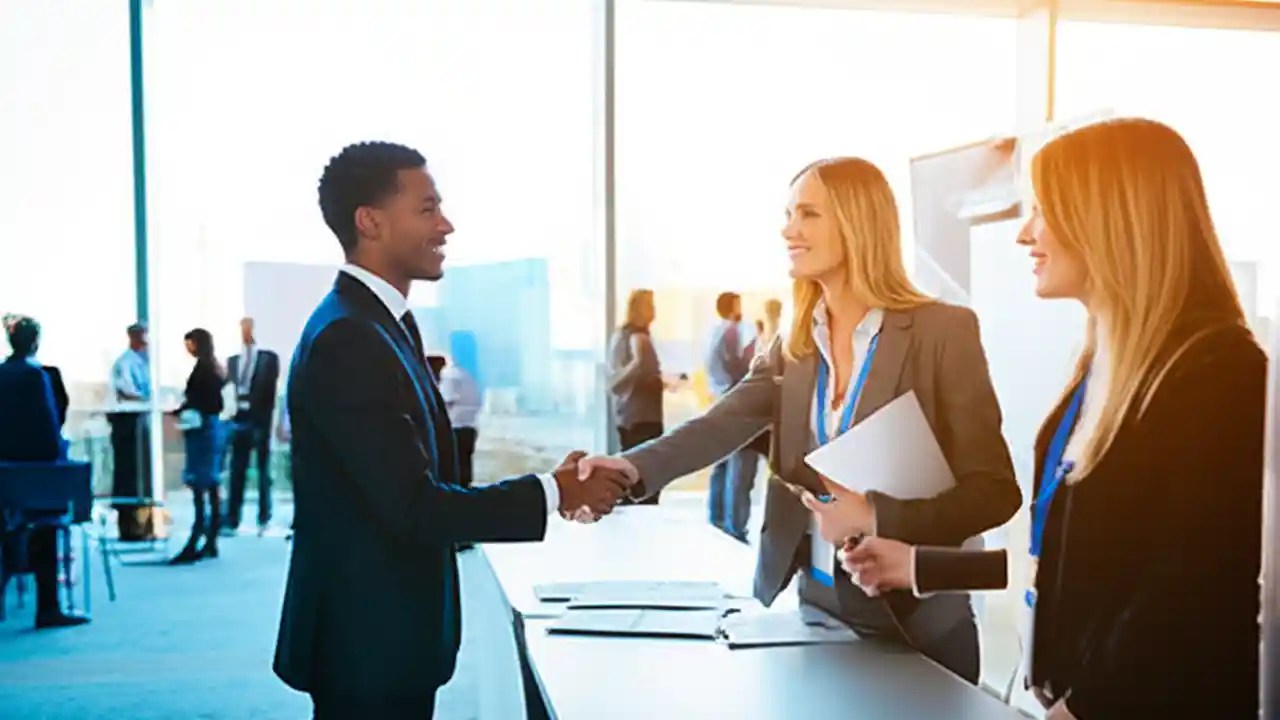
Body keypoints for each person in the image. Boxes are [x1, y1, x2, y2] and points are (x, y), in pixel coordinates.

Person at [835, 119, 1264, 718]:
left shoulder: (1218, 373)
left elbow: (1185, 597)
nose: (1025, 234)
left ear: (1112, 220)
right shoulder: (1100, 366)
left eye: (1045, 210)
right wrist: (919, 564)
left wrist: (1080, 710)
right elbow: (1077, 560)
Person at [580, 157, 1020, 683]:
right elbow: (721, 423)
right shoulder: (794, 342)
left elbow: (994, 492)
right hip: (820, 612)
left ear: (857, 222)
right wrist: (629, 468)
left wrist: (876, 516)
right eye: (789, 213)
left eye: (807, 213)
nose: (788, 229)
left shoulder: (941, 332)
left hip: (919, 621)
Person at [273, 141, 631, 718]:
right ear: (370, 222)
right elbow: (414, 507)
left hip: (381, 638)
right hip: (366, 643)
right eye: (427, 209)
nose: (446, 224)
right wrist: (554, 491)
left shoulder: (379, 325)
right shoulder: (352, 338)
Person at [0, 316, 88, 628]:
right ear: (35, 341)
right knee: (47, 525)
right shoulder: (38, 376)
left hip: (5, 471)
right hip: (36, 469)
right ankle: (48, 607)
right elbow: (48, 422)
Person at [705, 291, 759, 543]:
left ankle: (716, 516)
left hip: (720, 400)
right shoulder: (731, 332)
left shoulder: (714, 332)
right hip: (736, 402)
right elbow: (737, 367)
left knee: (722, 462)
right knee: (741, 467)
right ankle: (735, 525)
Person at [168, 328, 226, 565]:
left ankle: (199, 535)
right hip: (209, 429)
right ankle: (210, 538)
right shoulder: (213, 367)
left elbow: (206, 400)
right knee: (210, 483)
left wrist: (183, 409)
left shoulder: (204, 370)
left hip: (202, 430)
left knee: (201, 482)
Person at [607, 289, 665, 505]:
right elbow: (615, 382)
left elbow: (649, 374)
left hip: (649, 414)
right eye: (650, 306)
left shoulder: (643, 336)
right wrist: (638, 363)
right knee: (638, 479)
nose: (654, 312)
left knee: (652, 477)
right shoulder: (625, 337)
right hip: (634, 418)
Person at [224, 317, 281, 536]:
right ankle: (233, 517)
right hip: (239, 416)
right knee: (237, 469)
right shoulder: (233, 361)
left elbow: (270, 392)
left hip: (260, 420)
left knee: (263, 470)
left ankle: (264, 516)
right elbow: (228, 389)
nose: (245, 332)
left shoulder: (268, 359)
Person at [108, 321, 154, 540]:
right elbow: (127, 391)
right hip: (128, 424)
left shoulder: (145, 362)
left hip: (141, 423)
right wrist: (147, 399)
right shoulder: (125, 362)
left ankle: (143, 524)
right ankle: (128, 526)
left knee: (141, 474)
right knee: (128, 474)